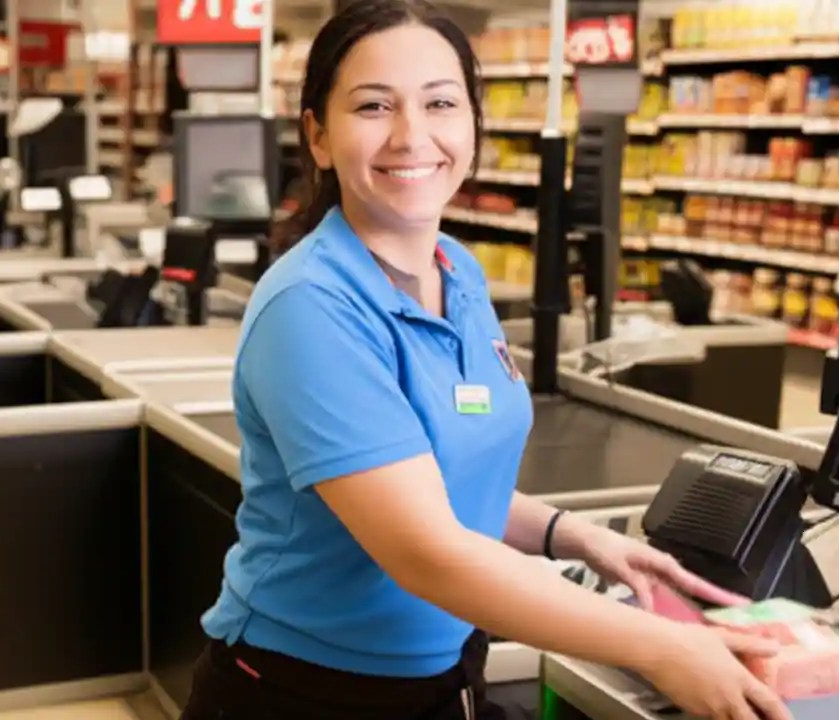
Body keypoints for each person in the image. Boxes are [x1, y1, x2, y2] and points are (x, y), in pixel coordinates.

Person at [181, 2, 793, 719]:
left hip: (442, 671)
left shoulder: (458, 272)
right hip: (302, 690)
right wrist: (661, 646)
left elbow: (437, 479)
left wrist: (575, 536)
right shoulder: (310, 308)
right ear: (317, 136)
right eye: (374, 106)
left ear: (472, 124)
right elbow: (426, 552)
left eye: (441, 102)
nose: (413, 136)